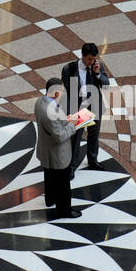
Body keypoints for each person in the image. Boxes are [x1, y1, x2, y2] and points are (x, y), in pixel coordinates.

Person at [61, 43, 111, 177]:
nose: (91, 62)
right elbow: (69, 92)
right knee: (75, 138)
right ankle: (71, 166)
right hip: (79, 108)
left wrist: (97, 74)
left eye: (94, 59)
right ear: (82, 56)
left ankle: (92, 160)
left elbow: (106, 86)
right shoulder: (69, 69)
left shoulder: (97, 66)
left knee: (94, 135)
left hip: (94, 105)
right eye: (89, 59)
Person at [36, 78, 82, 220]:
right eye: (61, 90)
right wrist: (73, 124)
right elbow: (60, 136)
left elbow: (53, 125)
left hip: (46, 151)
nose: (63, 92)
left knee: (49, 177)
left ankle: (50, 200)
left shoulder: (40, 101)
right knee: (63, 185)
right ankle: (64, 211)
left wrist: (65, 120)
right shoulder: (50, 113)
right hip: (58, 155)